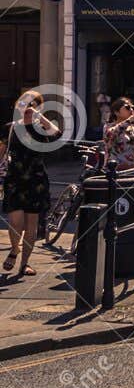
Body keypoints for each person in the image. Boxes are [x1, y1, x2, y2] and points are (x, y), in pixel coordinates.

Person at [4, 91, 59, 278]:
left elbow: (56, 134)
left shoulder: (41, 128)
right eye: (24, 103)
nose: (27, 107)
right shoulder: (10, 128)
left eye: (32, 104)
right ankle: (14, 249)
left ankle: (25, 263)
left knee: (31, 224)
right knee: (14, 222)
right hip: (15, 179)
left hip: (36, 181)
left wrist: (40, 116)